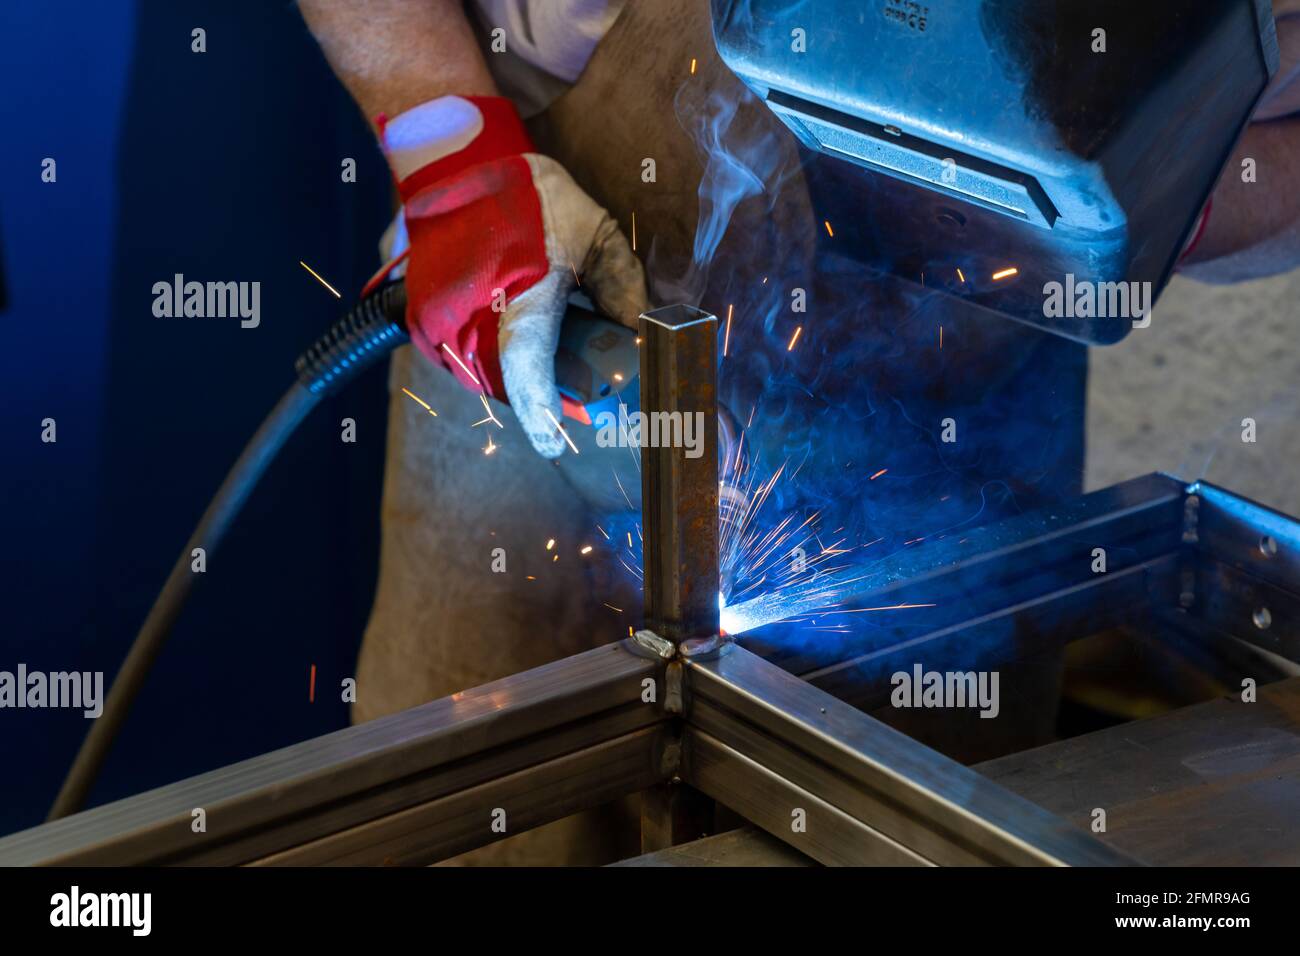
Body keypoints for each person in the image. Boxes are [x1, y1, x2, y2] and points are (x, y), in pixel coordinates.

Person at [297, 0, 1300, 863]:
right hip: (535, 324)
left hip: (958, 463)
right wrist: (449, 151)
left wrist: (1167, 165)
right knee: (471, 818)